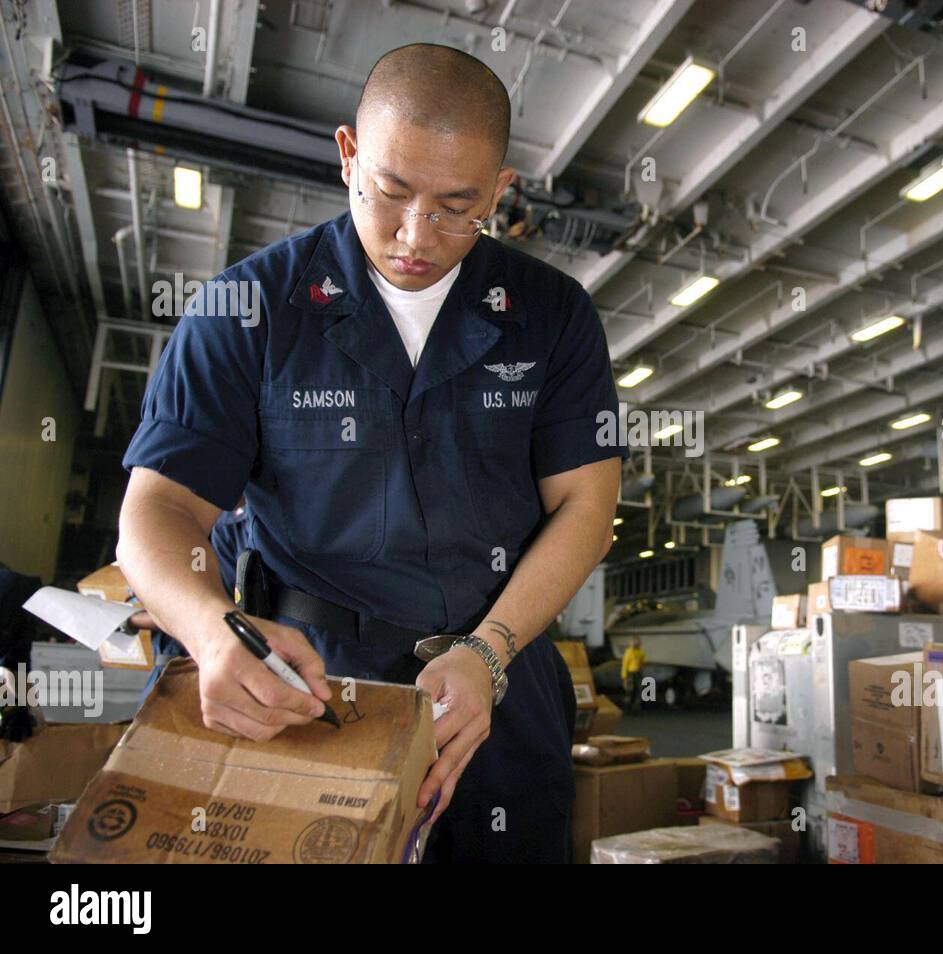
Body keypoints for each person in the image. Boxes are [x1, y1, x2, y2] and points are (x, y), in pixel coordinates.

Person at [115, 43, 625, 863]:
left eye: (459, 207)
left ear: (500, 192)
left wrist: (486, 654)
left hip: (500, 682)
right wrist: (213, 634)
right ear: (349, 153)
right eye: (390, 192)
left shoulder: (552, 315)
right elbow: (160, 507)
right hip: (315, 691)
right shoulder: (247, 309)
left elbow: (586, 506)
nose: (416, 235)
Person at [621, 636, 646, 712]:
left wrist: (641, 670)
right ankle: (626, 708)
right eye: (635, 642)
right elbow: (625, 664)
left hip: (638, 673)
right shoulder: (629, 652)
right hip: (630, 673)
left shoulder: (641, 652)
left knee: (639, 690)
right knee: (629, 691)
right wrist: (624, 676)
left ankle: (636, 707)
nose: (637, 643)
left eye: (638, 642)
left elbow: (642, 662)